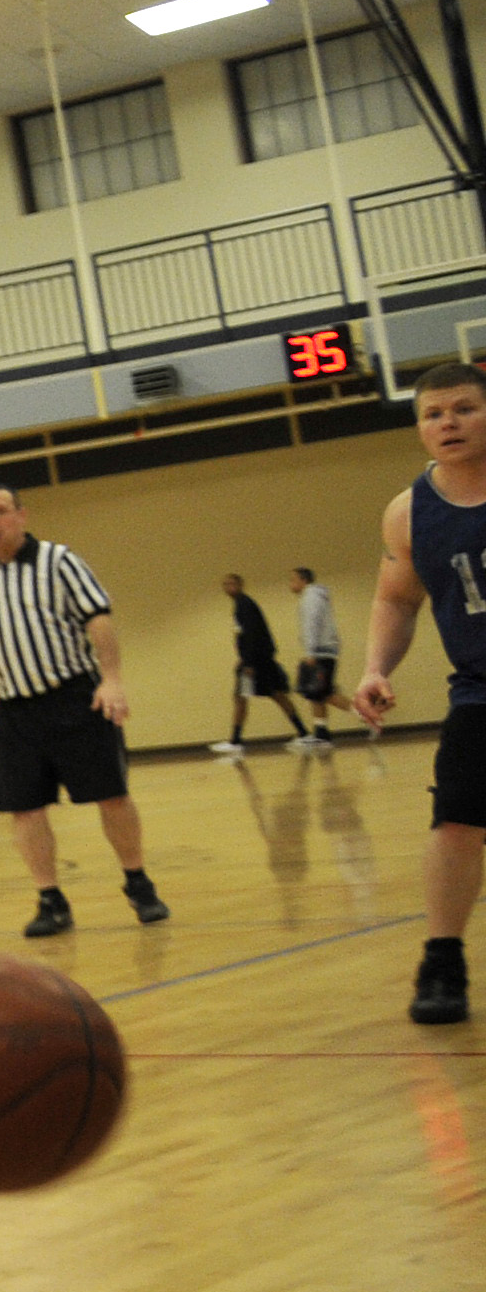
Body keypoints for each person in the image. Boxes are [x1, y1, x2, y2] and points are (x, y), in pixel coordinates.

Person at [0, 485, 168, 940]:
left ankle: (138, 883)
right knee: (24, 808)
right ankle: (50, 900)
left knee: (112, 796)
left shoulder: (59, 561)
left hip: (75, 697)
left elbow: (99, 618)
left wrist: (112, 679)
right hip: (16, 709)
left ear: (22, 515)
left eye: (1, 511)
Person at [348, 361, 484, 1024]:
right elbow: (397, 600)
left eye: (464, 409)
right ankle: (442, 961)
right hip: (480, 693)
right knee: (455, 822)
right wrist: (376, 668)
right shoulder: (409, 513)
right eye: (433, 414)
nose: (447, 423)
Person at [213, 574, 315, 756]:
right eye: (225, 584)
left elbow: (252, 634)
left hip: (256, 661)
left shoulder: (244, 605)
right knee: (263, 695)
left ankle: (236, 741)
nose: (228, 587)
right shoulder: (241, 604)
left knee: (253, 696)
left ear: (240, 584)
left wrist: (249, 662)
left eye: (232, 583)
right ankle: (303, 733)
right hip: (258, 659)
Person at [289, 564, 348, 748]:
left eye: (293, 579)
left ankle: (364, 713)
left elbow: (311, 624)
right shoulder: (315, 596)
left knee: (324, 692)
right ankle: (321, 733)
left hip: (321, 650)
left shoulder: (310, 598)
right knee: (315, 693)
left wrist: (310, 652)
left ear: (303, 580)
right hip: (323, 649)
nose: (290, 584)